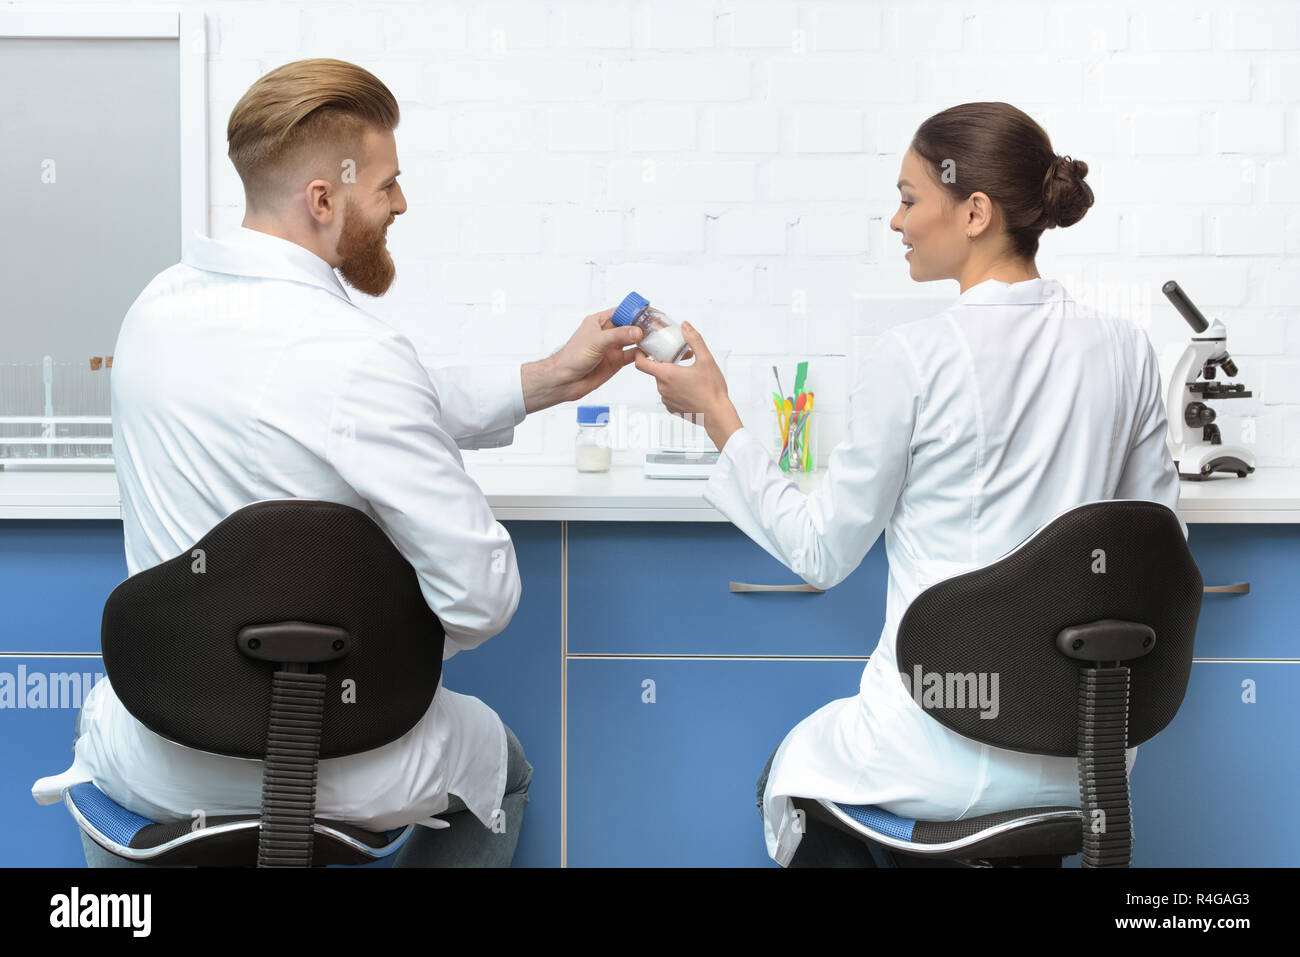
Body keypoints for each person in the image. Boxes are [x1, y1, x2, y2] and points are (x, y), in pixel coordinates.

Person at [30, 58, 644, 867]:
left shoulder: (156, 313)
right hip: (345, 760)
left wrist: (543, 379)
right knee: (506, 767)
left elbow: (343, 401)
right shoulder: (356, 357)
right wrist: (371, 648)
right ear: (324, 199)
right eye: (386, 183)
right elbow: (483, 595)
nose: (400, 203)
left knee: (99, 723)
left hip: (161, 750)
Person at [634, 101, 1187, 868]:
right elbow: (1160, 547)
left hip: (941, 747)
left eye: (908, 198)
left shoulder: (913, 357)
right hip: (1085, 756)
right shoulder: (1127, 351)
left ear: (974, 212)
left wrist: (718, 414)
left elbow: (820, 552)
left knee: (792, 777)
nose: (896, 223)